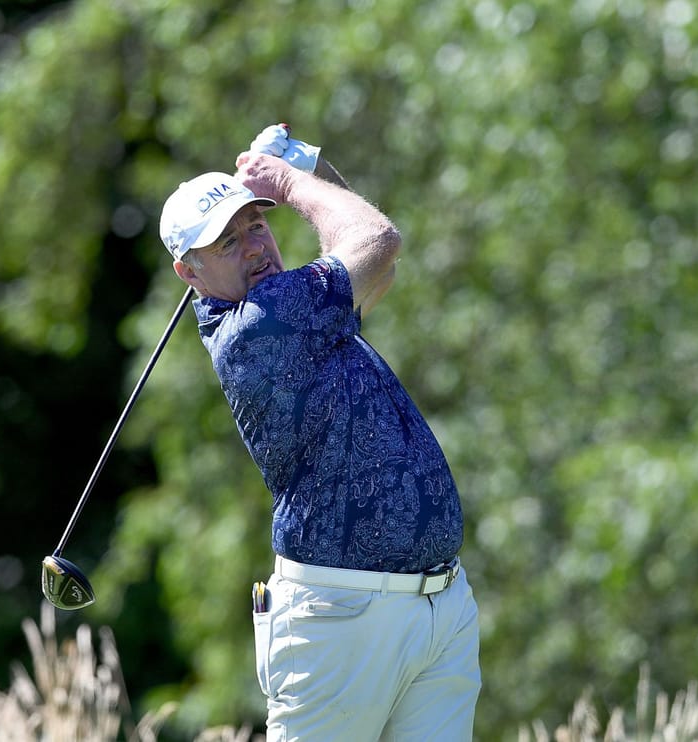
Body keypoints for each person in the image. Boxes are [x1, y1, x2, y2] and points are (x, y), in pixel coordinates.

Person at [158, 124, 480, 741]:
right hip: (340, 618)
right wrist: (284, 179)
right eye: (226, 243)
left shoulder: (298, 306)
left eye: (256, 225)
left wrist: (308, 168)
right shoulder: (261, 325)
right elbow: (377, 239)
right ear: (189, 272)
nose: (253, 247)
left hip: (438, 607)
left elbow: (374, 268)